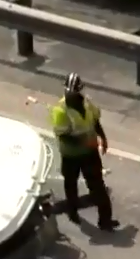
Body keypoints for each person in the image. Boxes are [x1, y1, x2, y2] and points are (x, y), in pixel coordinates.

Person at [51, 73, 120, 231]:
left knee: (98, 186)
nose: (70, 95)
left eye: (73, 92)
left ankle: (105, 221)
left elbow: (95, 121)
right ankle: (72, 211)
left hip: (90, 154)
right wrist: (83, 142)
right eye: (68, 91)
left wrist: (103, 137)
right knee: (71, 185)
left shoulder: (87, 103)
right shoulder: (60, 111)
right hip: (71, 156)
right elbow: (63, 136)